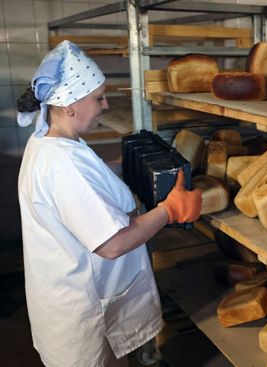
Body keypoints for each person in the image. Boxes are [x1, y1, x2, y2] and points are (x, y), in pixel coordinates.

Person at [16, 40, 202, 367]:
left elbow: (85, 193)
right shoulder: (62, 164)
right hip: (83, 313)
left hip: (73, 300)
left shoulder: (50, 141)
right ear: (69, 105)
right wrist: (169, 210)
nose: (105, 106)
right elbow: (113, 244)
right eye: (98, 98)